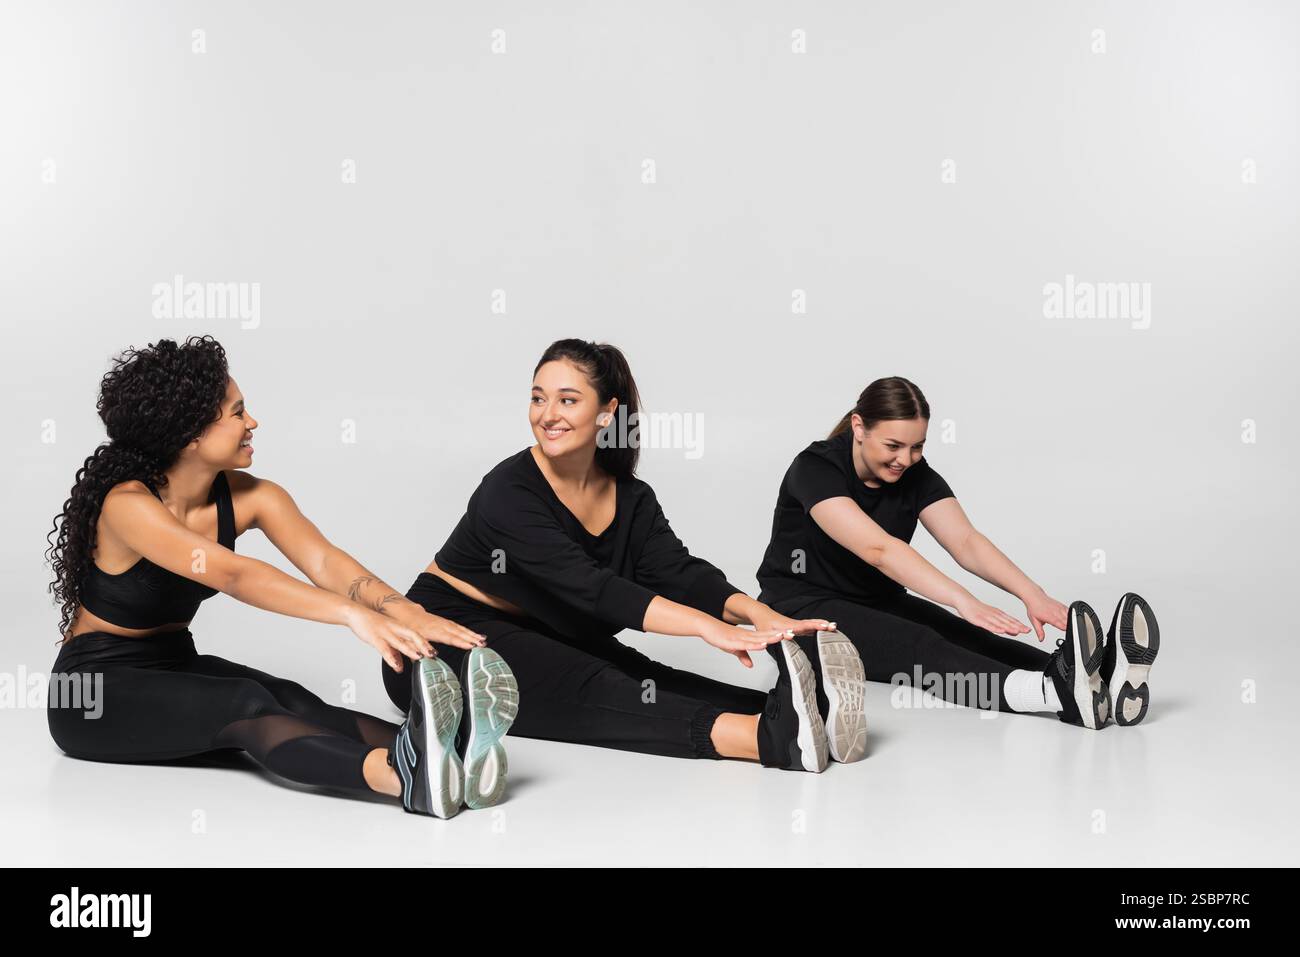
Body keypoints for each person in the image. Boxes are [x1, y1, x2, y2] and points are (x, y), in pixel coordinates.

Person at [44, 335, 516, 819]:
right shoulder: (128, 506)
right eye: (237, 412)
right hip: (92, 690)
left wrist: (409, 613)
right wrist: (354, 617)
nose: (253, 422)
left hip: (172, 663)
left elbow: (326, 563)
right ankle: (404, 777)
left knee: (291, 699)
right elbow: (234, 574)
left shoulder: (253, 496)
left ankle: (455, 754)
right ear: (189, 433)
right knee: (245, 703)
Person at [383, 338, 869, 772]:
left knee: (645, 678)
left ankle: (794, 712)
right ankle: (766, 739)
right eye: (538, 398)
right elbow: (595, 591)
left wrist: (758, 615)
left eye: (567, 400)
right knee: (593, 684)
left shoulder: (630, 497)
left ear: (606, 412)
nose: (546, 414)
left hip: (546, 628)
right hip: (440, 641)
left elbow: (679, 572)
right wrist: (707, 628)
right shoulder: (507, 492)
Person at [754, 375, 1159, 730]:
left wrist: (1031, 594)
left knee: (969, 635)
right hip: (798, 611)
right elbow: (878, 549)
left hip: (875, 600)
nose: (905, 460)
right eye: (893, 445)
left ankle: (1099, 680)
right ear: (859, 427)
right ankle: (1055, 696)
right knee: (919, 644)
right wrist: (963, 599)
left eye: (917, 446)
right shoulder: (815, 468)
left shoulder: (915, 474)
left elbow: (965, 541)